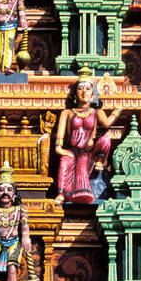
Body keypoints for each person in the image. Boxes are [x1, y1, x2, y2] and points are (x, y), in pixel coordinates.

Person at [55, 73, 122, 203]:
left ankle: (100, 160)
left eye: (88, 88)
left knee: (106, 139)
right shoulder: (67, 113)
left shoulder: (97, 112)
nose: (84, 92)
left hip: (91, 153)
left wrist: (118, 110)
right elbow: (58, 145)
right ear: (75, 94)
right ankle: (62, 194)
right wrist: (62, 151)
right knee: (65, 160)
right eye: (80, 88)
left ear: (93, 94)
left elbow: (107, 123)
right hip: (73, 151)